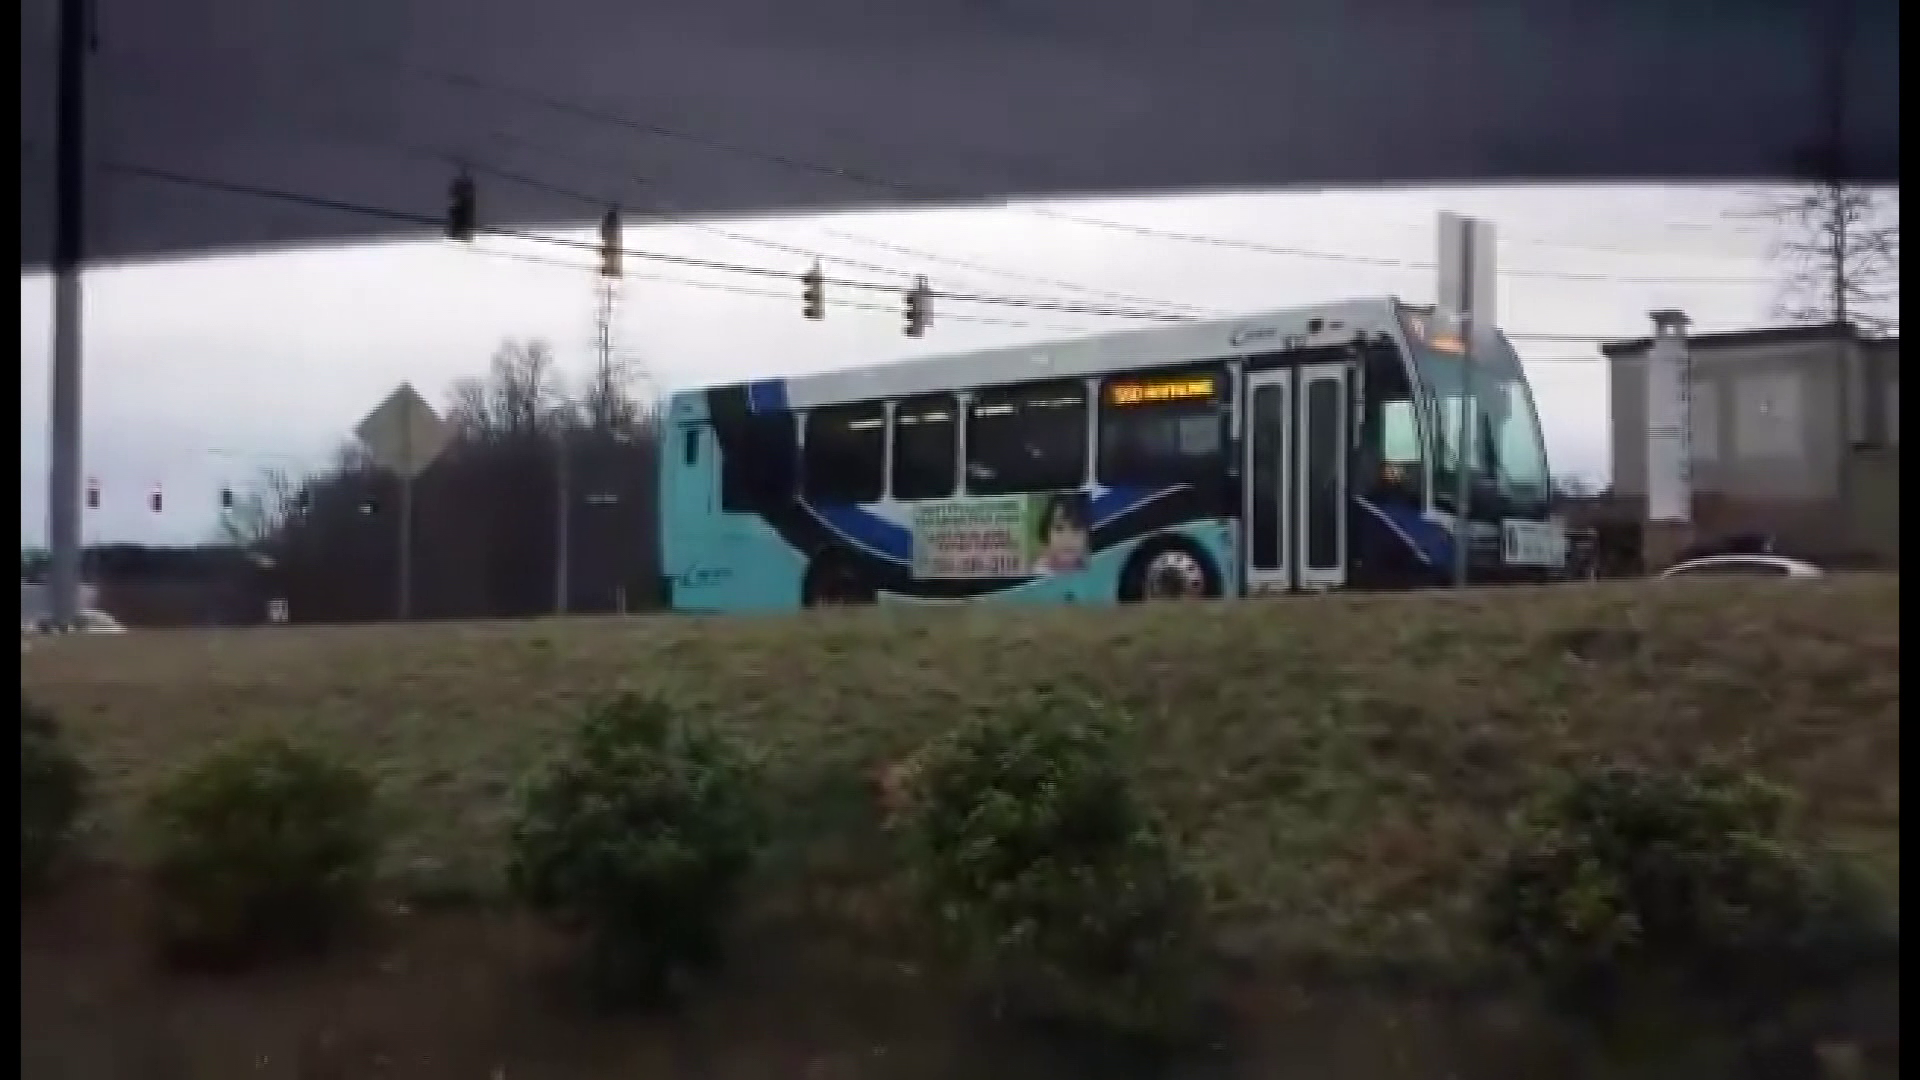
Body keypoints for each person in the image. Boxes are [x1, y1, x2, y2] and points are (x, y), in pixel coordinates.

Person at [1032, 491, 1090, 575]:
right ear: (1046, 533)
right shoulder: (1040, 572)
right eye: (1059, 528)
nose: (1067, 538)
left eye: (1076, 528)